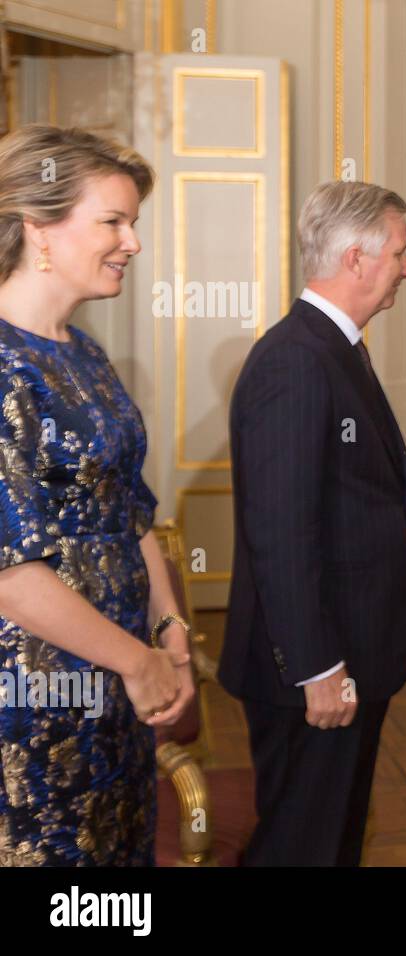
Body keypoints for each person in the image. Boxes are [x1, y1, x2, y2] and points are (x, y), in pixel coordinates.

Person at [0, 124, 194, 865]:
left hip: (117, 685)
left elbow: (129, 512)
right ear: (37, 230)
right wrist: (137, 660)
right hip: (34, 700)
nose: (132, 243)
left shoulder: (84, 352)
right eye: (112, 221)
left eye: (132, 223)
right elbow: (11, 574)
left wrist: (170, 625)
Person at [220, 181, 406, 865]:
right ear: (358, 259)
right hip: (314, 671)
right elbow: (282, 532)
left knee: (332, 843)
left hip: (348, 655)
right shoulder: (295, 362)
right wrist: (317, 669)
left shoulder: (334, 349)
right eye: (400, 252)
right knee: (301, 849)